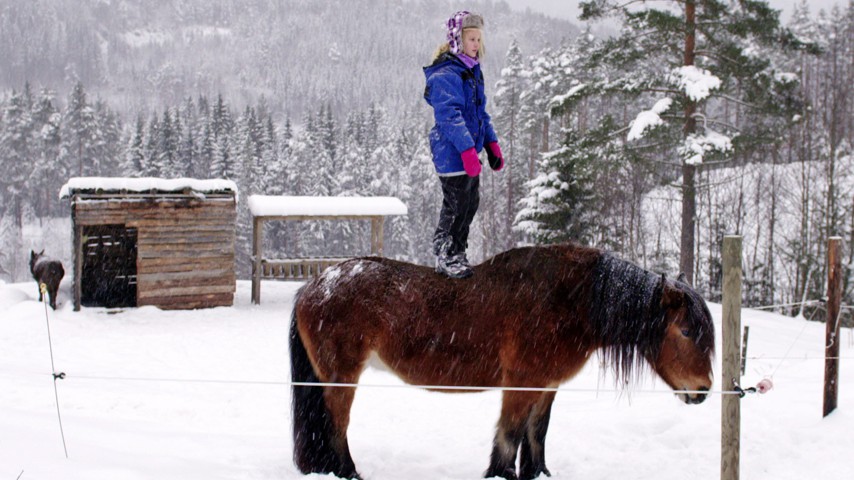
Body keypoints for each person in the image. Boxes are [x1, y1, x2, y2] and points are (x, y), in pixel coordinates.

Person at [423, 10, 504, 279]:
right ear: (457, 39)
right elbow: (450, 117)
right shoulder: (446, 74)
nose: (476, 44)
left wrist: (491, 145)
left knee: (470, 203)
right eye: (471, 39)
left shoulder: (472, 72)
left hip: (468, 151)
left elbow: (480, 114)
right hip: (451, 151)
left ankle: (457, 251)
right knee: (456, 203)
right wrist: (468, 150)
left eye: (479, 39)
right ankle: (445, 253)